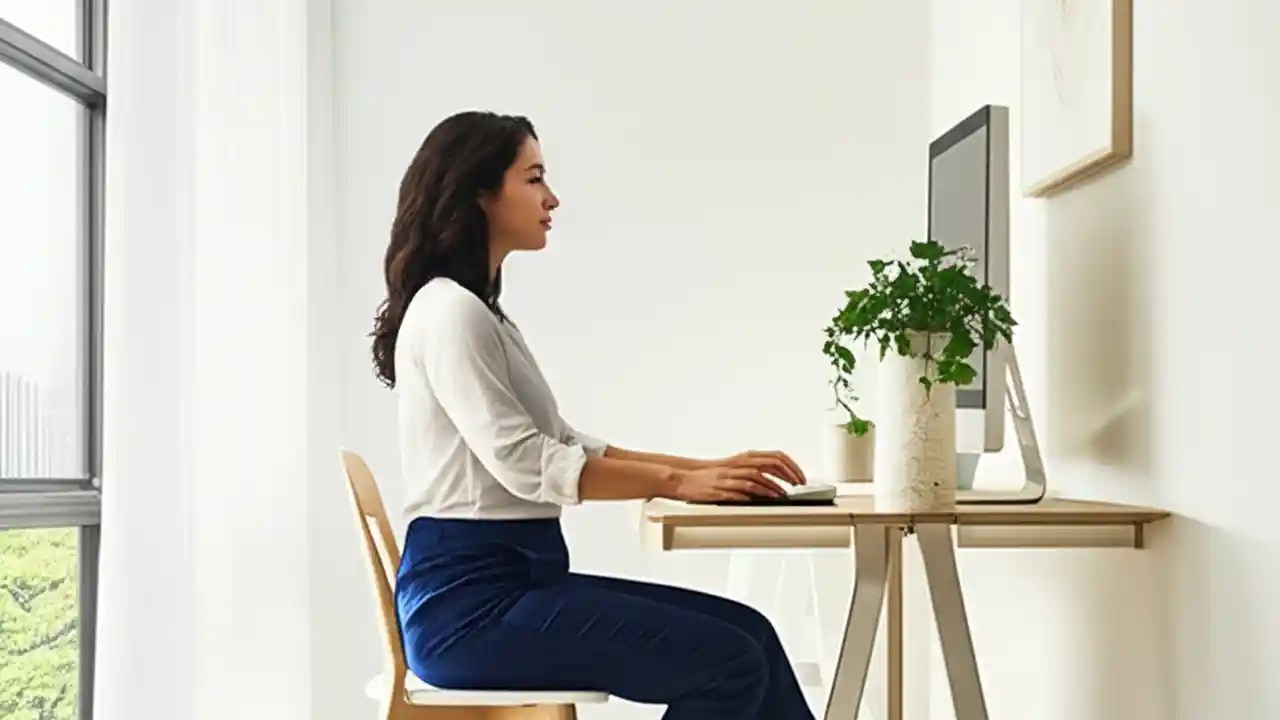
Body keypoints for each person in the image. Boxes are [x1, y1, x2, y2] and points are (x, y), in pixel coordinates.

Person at [370, 110, 816, 719]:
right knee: (728, 662)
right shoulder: (450, 311)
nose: (551, 198)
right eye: (533, 179)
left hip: (511, 587)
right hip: (469, 613)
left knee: (752, 635)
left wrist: (703, 470)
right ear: (478, 192)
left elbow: (561, 440)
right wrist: (677, 482)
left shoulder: (480, 313)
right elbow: (526, 462)